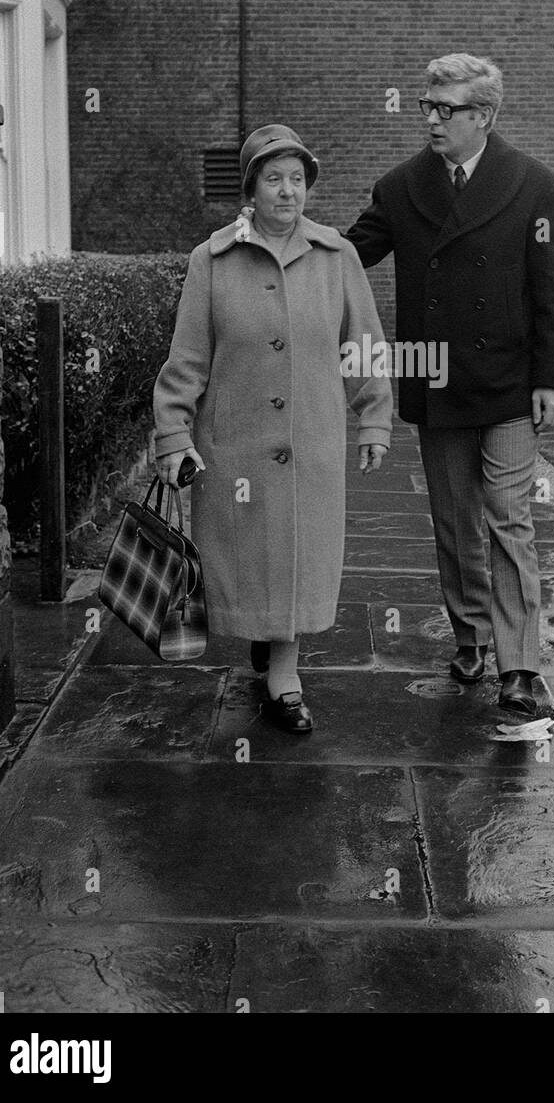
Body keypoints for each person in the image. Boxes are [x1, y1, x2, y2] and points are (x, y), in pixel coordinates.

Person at [346, 54, 554, 717]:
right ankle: (470, 636)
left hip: (508, 381)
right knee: (454, 522)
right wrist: (278, 237)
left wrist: (551, 380)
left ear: (486, 116)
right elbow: (350, 251)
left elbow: (552, 291)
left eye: (447, 110)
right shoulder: (401, 187)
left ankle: (521, 665)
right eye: (427, 106)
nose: (432, 120)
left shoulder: (536, 186)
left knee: (509, 518)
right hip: (433, 375)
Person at [154, 124, 392, 733]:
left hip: (311, 444)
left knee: (298, 558)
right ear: (252, 188)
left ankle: (284, 675)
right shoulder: (211, 261)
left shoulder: (337, 258)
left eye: (297, 180)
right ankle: (262, 640)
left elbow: (364, 349)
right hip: (235, 447)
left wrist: (373, 422)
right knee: (245, 559)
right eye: (273, 179)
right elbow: (187, 360)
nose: (287, 192)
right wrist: (174, 435)